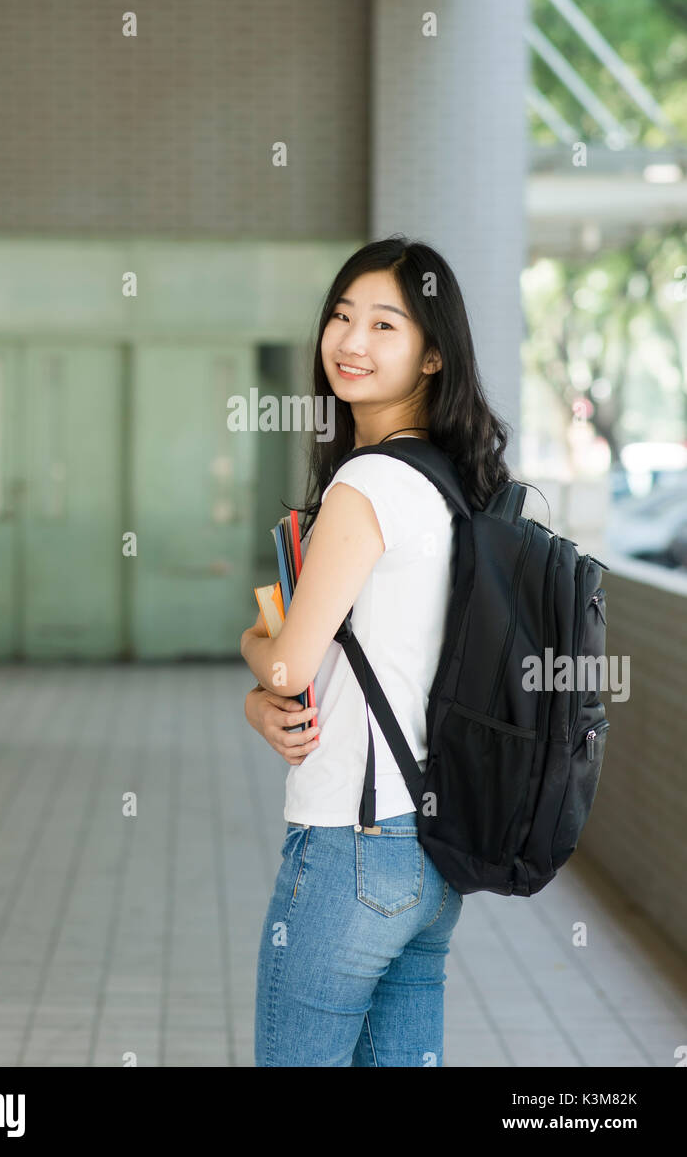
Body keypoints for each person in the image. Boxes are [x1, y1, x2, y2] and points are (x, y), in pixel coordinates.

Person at [240, 235, 515, 1067]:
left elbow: (289, 664)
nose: (350, 342)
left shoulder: (365, 486)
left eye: (384, 325)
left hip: (354, 844)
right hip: (433, 850)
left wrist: (254, 656)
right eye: (340, 317)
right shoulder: (457, 484)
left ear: (433, 355)